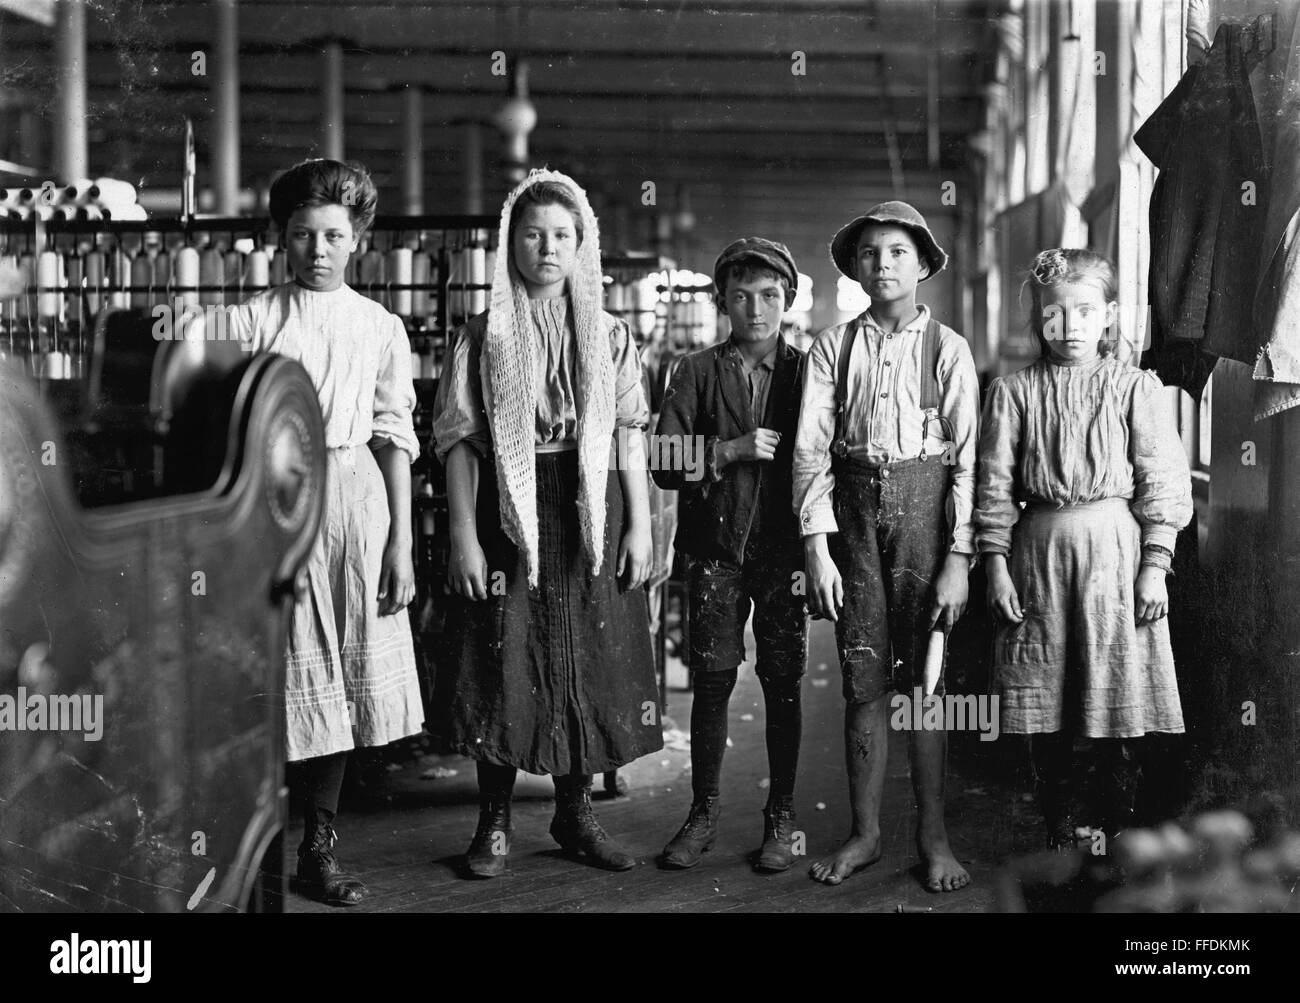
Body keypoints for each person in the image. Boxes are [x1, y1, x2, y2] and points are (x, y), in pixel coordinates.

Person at [431, 169, 662, 879]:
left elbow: (628, 433)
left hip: (589, 501)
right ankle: (493, 821)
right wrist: (466, 535)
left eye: (563, 235)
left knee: (584, 656)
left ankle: (576, 813)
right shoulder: (483, 333)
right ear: (511, 243)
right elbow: (459, 443)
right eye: (533, 234)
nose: (548, 247)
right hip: (510, 504)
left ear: (582, 243)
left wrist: (640, 525)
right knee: (506, 651)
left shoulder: (609, 334)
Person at [226, 158, 424, 906]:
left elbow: (394, 436)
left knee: (339, 672)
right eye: (303, 234)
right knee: (278, 668)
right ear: (281, 237)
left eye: (334, 235)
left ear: (358, 241)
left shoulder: (379, 326)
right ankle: (251, 848)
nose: (318, 249)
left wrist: (400, 540)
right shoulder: (250, 319)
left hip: (354, 503)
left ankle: (319, 846)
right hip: (269, 497)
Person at [974, 248, 1192, 848]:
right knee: (1046, 706)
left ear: (1109, 316)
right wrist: (994, 566)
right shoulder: (1013, 393)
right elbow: (992, 488)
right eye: (1053, 314)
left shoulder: (1135, 389)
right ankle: (1060, 836)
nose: (1069, 326)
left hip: (1116, 558)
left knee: (1115, 697)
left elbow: (1164, 481)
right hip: (1038, 557)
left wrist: (1156, 565)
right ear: (1038, 320)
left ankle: (1112, 843)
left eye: (1085, 311)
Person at [794, 201, 978, 891]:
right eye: (871, 252)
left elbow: (969, 461)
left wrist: (959, 556)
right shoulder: (832, 348)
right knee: (863, 676)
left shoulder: (949, 349)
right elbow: (810, 452)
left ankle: (933, 836)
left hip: (926, 520)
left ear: (923, 263)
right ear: (857, 267)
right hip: (854, 520)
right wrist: (817, 544)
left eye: (898, 251)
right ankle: (866, 832)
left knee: (926, 683)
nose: (883, 263)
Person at [653, 237, 808, 872]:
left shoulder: (809, 371)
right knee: (713, 681)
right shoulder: (693, 371)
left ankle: (782, 817)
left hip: (783, 552)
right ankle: (704, 812)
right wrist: (728, 450)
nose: (755, 309)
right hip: (714, 550)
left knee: (784, 683)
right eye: (740, 297)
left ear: (789, 301)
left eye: (769, 296)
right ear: (721, 302)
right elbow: (663, 461)